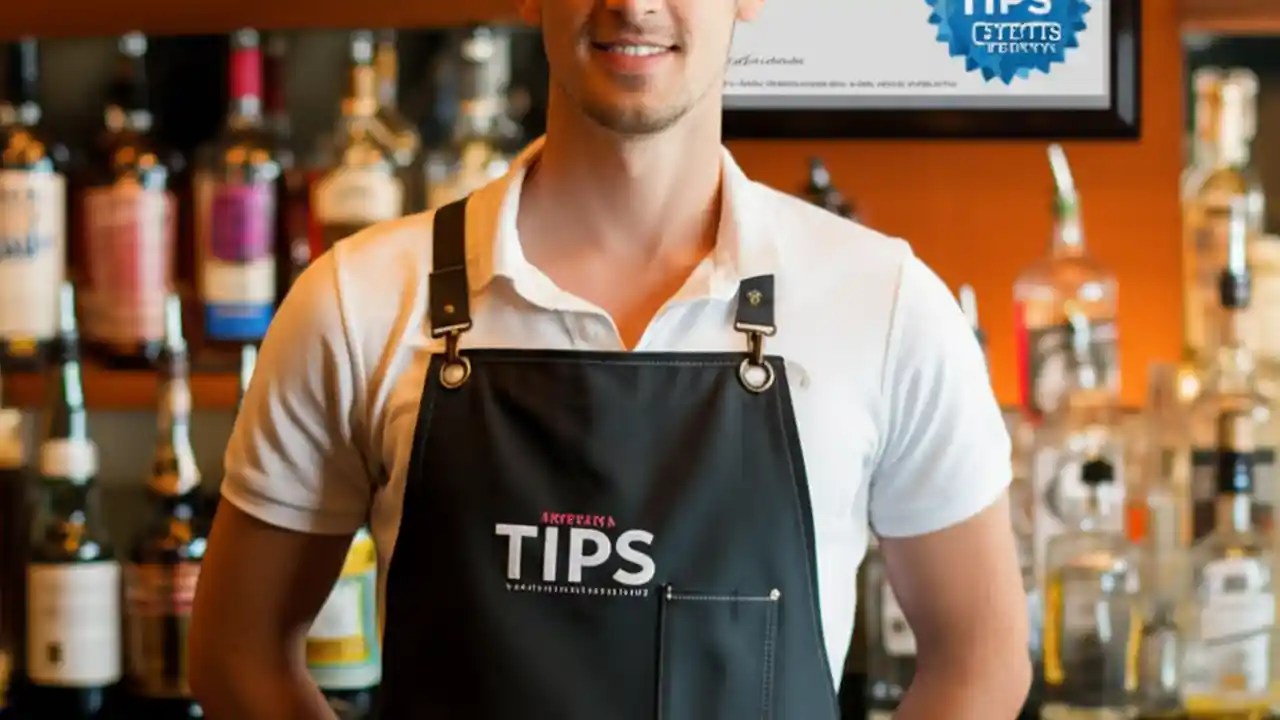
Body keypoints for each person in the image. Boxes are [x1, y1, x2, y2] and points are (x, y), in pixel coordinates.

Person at [188, 0, 1032, 717]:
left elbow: (982, 660)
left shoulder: (885, 305)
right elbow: (236, 655)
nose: (633, 4)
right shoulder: (356, 302)